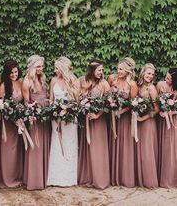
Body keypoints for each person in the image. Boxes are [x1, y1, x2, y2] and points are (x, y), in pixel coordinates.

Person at [78, 59, 110, 189]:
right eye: (99, 70)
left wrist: (97, 115)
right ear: (92, 70)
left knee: (98, 148)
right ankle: (87, 177)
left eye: (102, 70)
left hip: (98, 121)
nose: (101, 72)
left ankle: (99, 178)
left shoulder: (104, 83)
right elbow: (78, 97)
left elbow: (108, 103)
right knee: (86, 147)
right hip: (86, 120)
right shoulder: (83, 81)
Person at [47, 56, 78, 187]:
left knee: (69, 144)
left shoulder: (74, 81)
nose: (55, 71)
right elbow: (51, 100)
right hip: (56, 118)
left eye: (57, 68)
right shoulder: (53, 80)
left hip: (70, 118)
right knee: (57, 144)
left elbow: (76, 101)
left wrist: (68, 110)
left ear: (63, 68)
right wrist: (55, 111)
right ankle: (55, 177)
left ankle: (69, 177)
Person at [107, 57, 138, 187]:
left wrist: (122, 111)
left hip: (124, 119)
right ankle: (111, 176)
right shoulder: (112, 79)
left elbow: (133, 104)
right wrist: (110, 102)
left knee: (124, 145)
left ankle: (124, 176)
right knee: (112, 143)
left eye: (121, 69)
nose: (118, 71)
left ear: (128, 71)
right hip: (112, 117)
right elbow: (107, 95)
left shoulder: (132, 84)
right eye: (118, 68)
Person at [22, 55, 51, 190]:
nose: (41, 68)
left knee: (44, 145)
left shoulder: (43, 78)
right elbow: (26, 103)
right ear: (32, 67)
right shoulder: (26, 82)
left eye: (42, 66)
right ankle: (34, 180)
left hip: (45, 117)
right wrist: (33, 114)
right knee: (36, 148)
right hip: (35, 118)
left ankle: (44, 177)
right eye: (38, 66)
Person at [157, 68, 177, 188]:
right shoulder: (160, 85)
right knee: (162, 147)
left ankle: (171, 178)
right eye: (166, 76)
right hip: (161, 121)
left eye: (169, 78)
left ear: (175, 81)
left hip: (173, 122)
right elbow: (156, 102)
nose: (166, 79)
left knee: (171, 148)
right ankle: (160, 176)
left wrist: (170, 113)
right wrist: (161, 110)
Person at [0, 60, 24, 188]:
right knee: (9, 150)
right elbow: (0, 106)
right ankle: (7, 179)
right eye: (11, 72)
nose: (14, 75)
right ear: (6, 73)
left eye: (15, 72)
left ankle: (17, 176)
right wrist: (13, 117)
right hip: (8, 123)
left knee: (18, 150)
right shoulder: (4, 85)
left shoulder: (20, 82)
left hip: (19, 123)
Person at [136, 63, 159, 188]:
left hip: (148, 123)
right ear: (143, 72)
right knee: (139, 150)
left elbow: (156, 109)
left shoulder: (151, 88)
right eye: (148, 73)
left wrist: (143, 118)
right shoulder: (139, 86)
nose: (150, 76)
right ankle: (140, 178)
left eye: (152, 74)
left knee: (147, 150)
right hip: (138, 122)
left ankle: (149, 180)